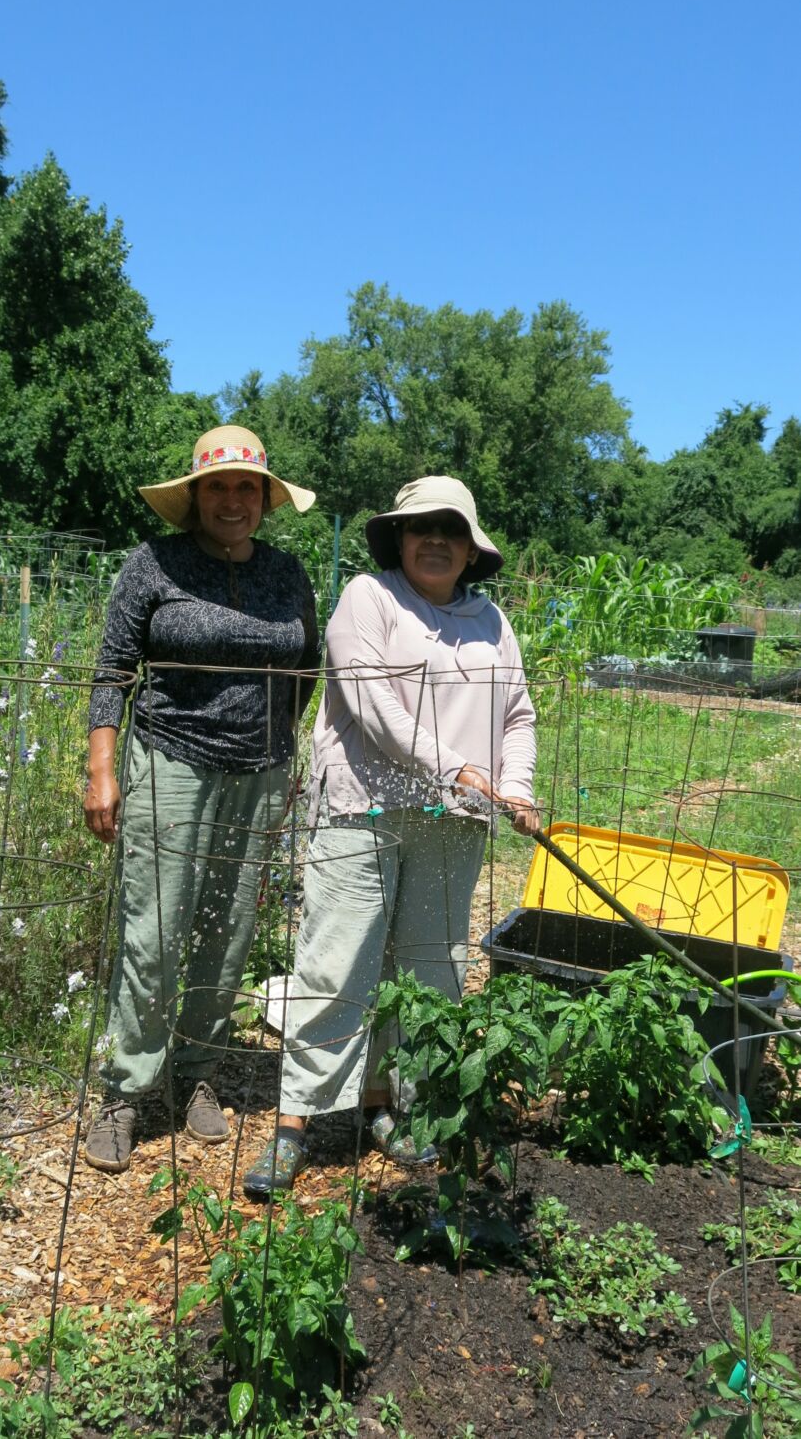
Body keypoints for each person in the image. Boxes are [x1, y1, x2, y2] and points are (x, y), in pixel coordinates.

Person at [243, 476, 540, 1194]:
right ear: (399, 541)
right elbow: (369, 699)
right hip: (364, 809)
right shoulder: (367, 600)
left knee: (429, 970)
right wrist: (455, 768)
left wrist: (517, 787)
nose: (436, 540)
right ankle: (296, 1123)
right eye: (421, 529)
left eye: (452, 530)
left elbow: (519, 716)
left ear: (471, 551)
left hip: (454, 823)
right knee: (336, 963)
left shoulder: (492, 622)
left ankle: (391, 1107)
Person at [84, 424, 319, 1173]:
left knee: (228, 931)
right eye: (216, 486)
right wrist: (102, 766)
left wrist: (282, 755)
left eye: (245, 487)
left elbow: (305, 669)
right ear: (193, 496)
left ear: (264, 499)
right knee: (154, 932)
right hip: (169, 762)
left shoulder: (289, 575)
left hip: (257, 775)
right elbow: (113, 669)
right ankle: (126, 1090)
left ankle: (200, 1075)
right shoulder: (153, 565)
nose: (231, 499)